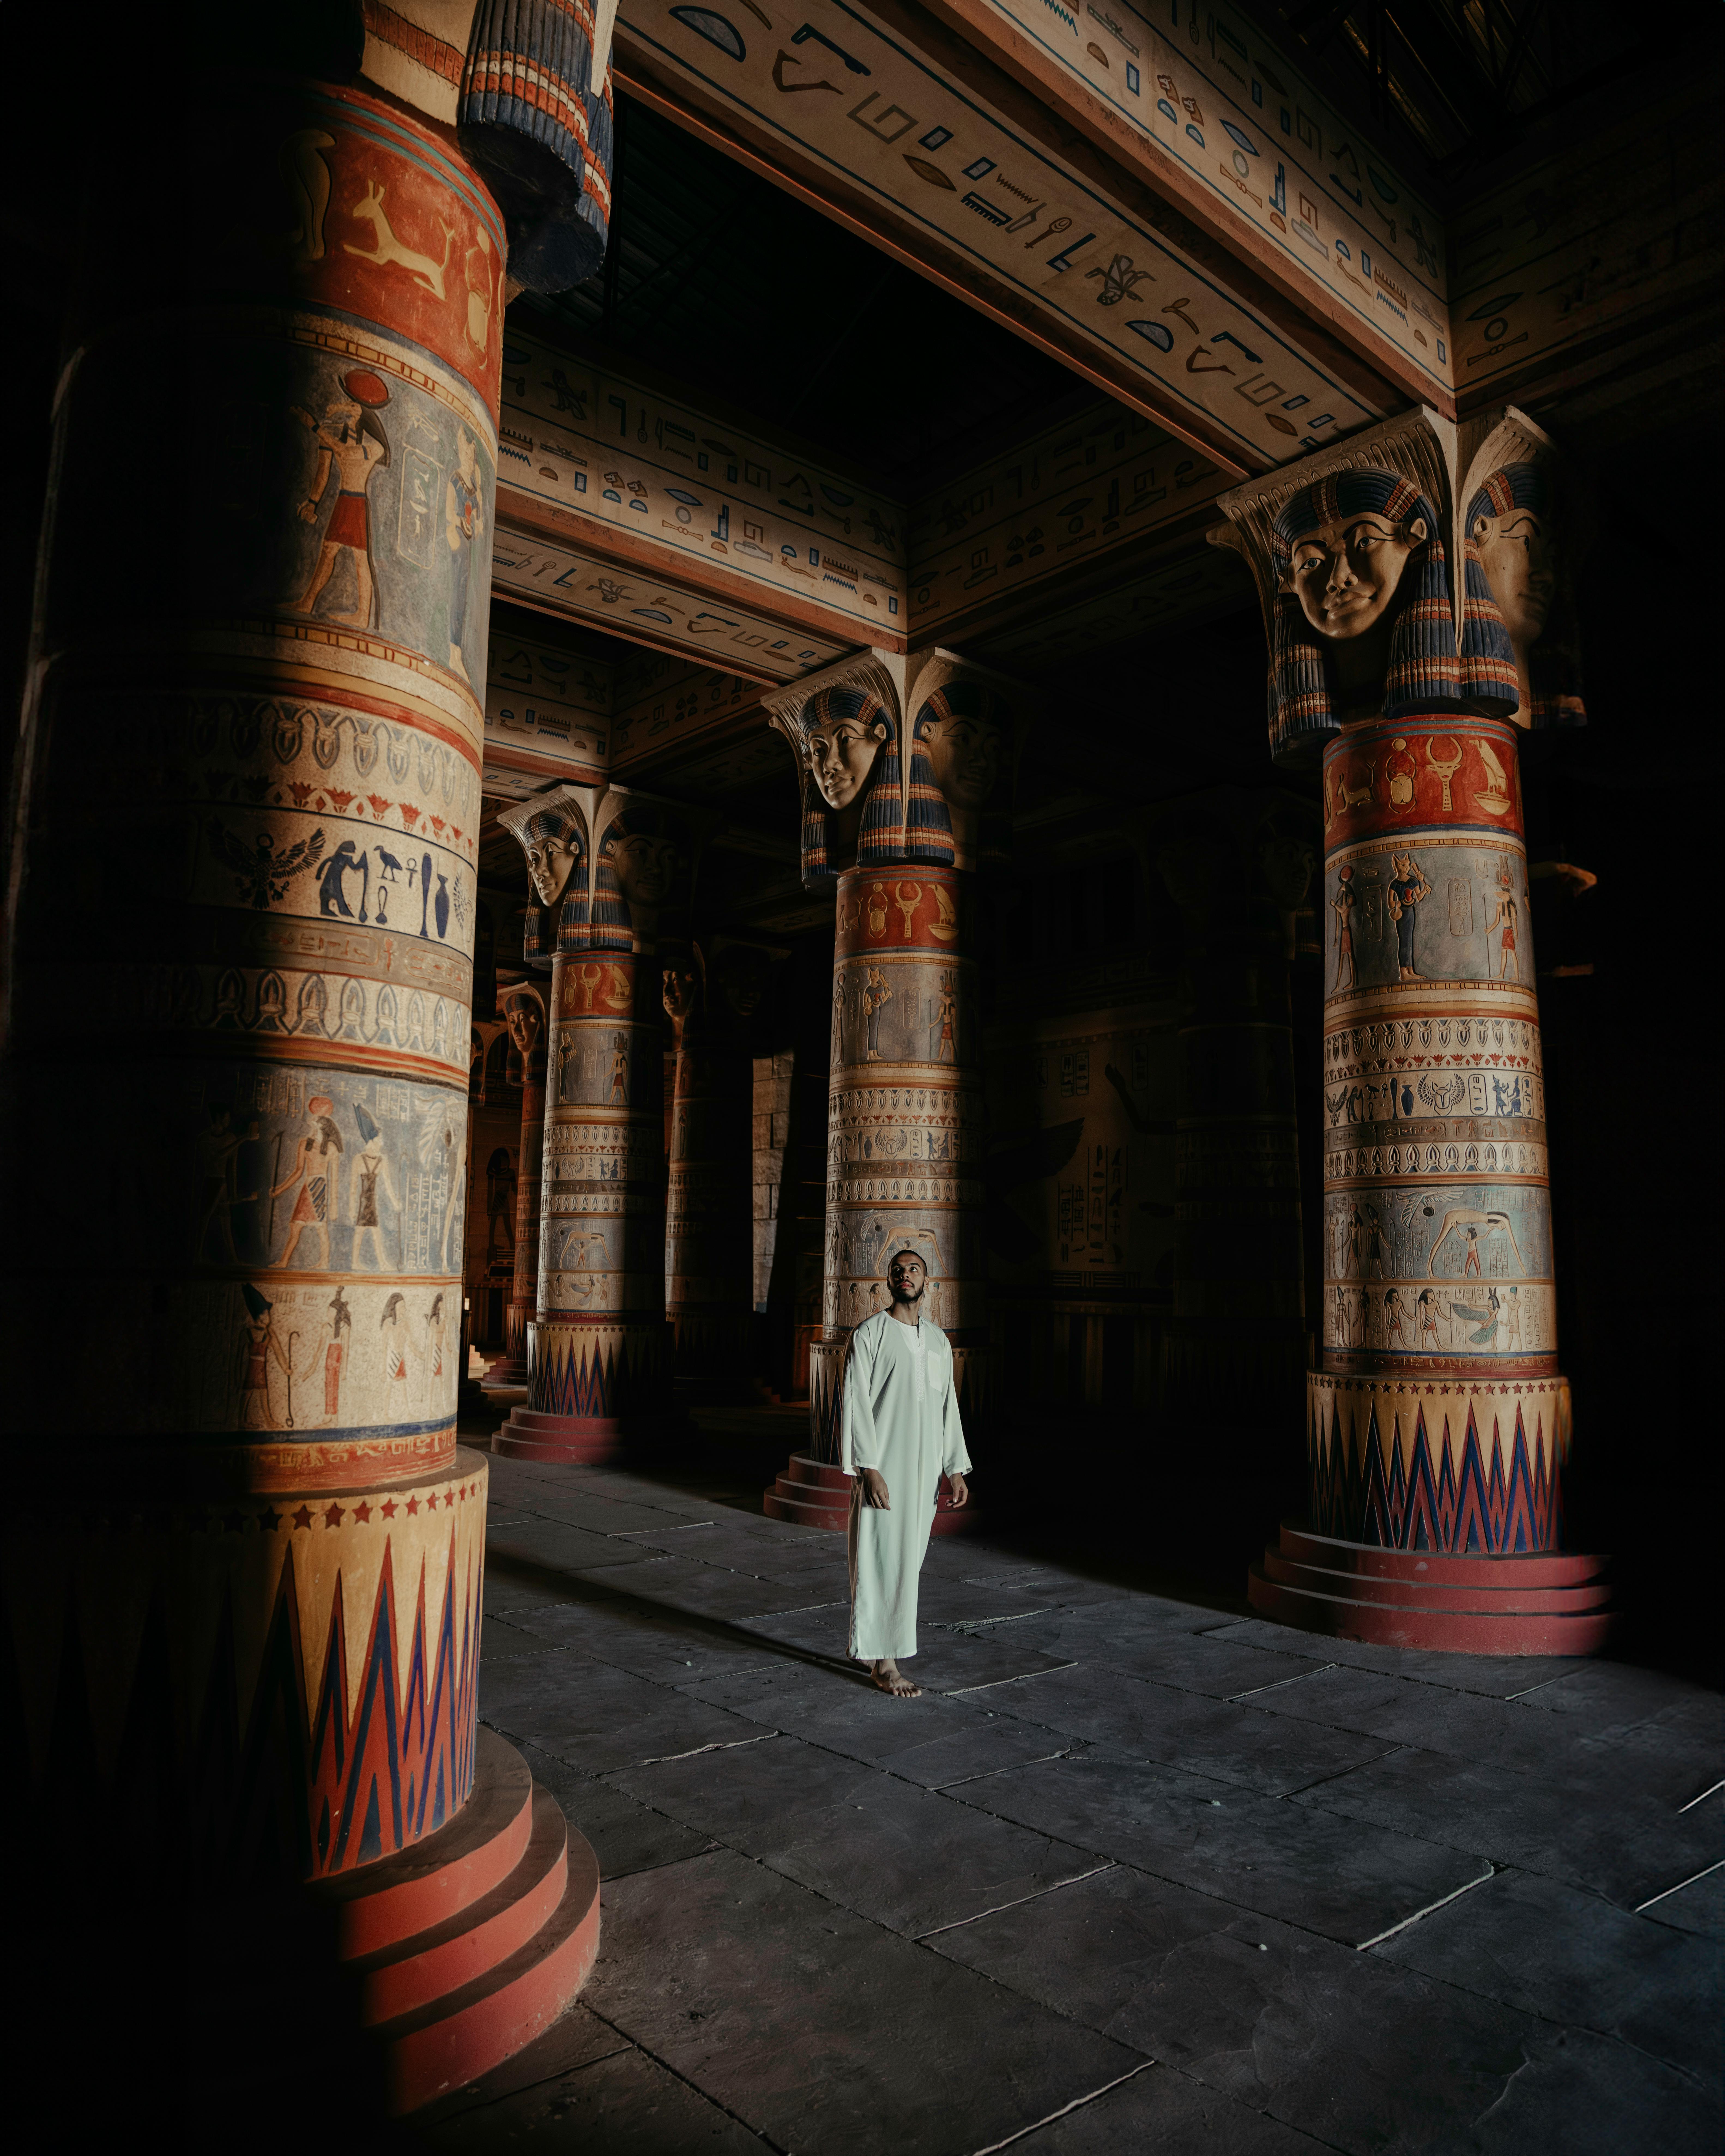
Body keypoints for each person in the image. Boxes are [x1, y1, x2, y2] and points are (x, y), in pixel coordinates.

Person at [841, 1248, 971, 1697]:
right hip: (885, 1468)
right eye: (897, 1271)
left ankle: (871, 1643)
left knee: (907, 1562)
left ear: (927, 1281)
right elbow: (856, 1405)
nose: (905, 1276)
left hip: (922, 1473)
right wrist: (869, 1469)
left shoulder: (937, 1341)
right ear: (889, 1282)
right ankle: (885, 1664)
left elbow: (946, 1407)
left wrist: (954, 1468)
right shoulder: (870, 1335)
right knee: (882, 1560)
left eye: (913, 1269)